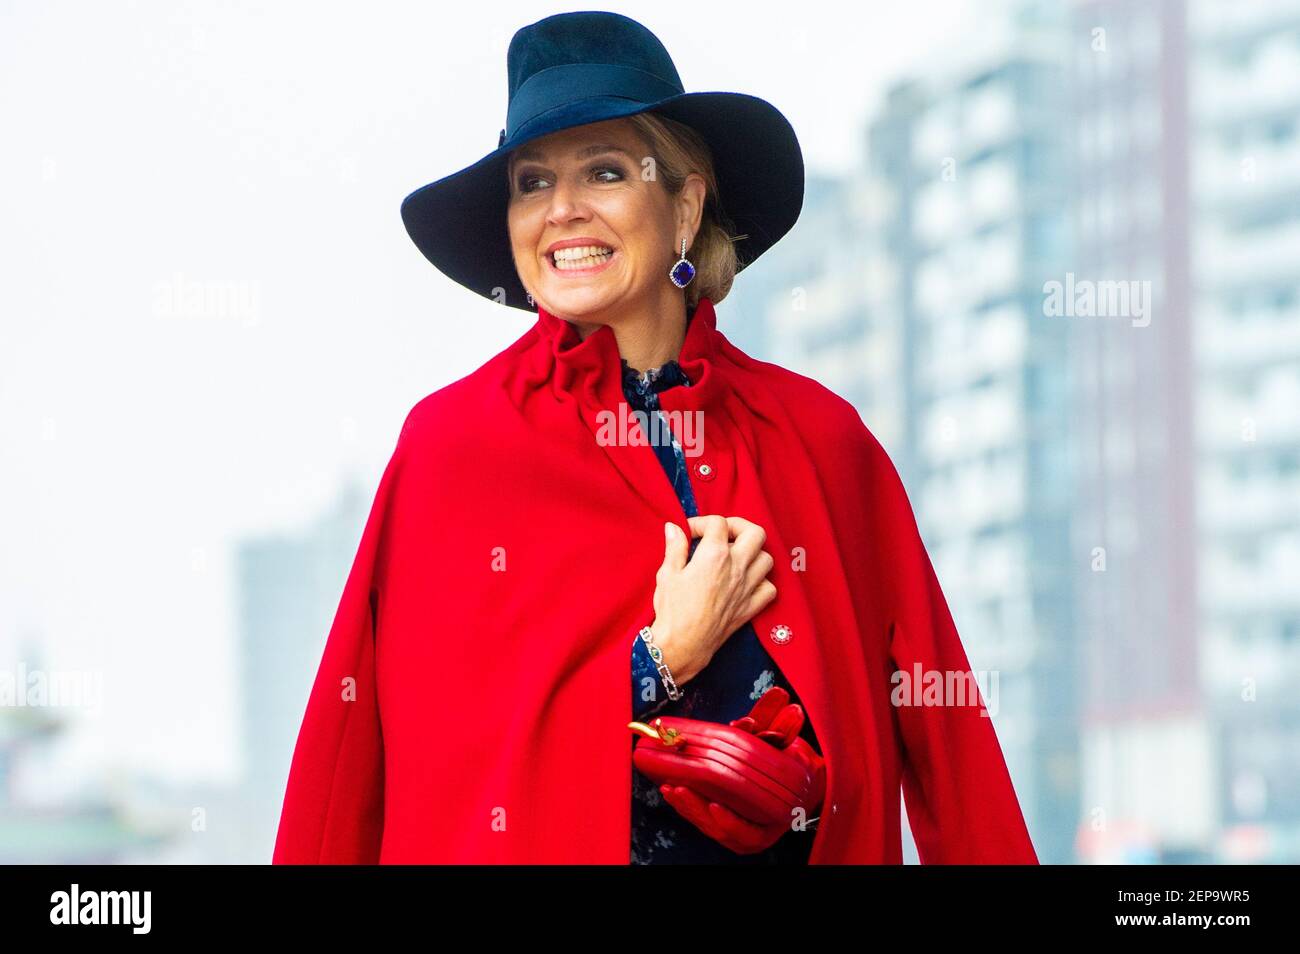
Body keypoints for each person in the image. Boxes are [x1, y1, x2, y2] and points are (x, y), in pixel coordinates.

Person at [273, 10, 1039, 865]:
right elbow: (386, 779)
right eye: (531, 183)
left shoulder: (824, 443)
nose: (560, 211)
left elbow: (952, 757)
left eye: (603, 172)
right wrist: (659, 659)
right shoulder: (453, 450)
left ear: (685, 200)